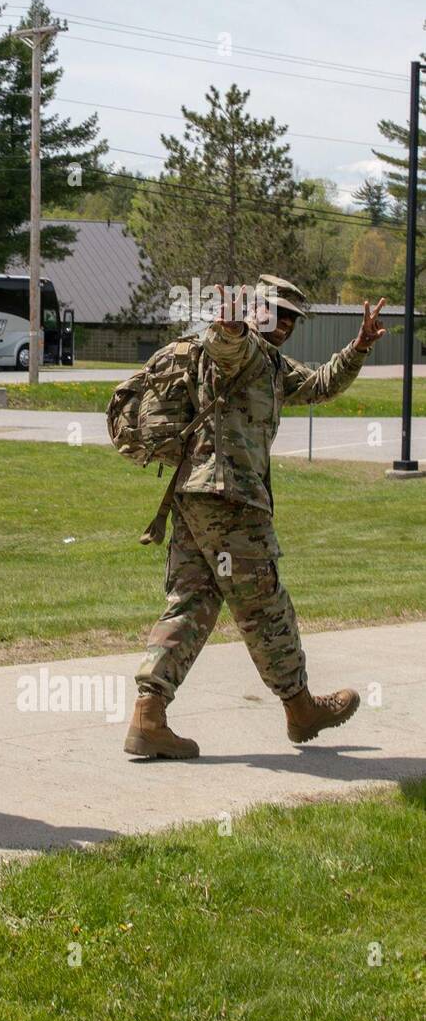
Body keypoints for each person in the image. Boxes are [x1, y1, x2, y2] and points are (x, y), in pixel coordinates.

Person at [127, 275, 387, 759]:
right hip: (229, 502)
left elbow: (316, 386)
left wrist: (358, 347)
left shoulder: (268, 362)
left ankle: (150, 714)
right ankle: (301, 707)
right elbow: (226, 346)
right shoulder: (237, 350)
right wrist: (230, 326)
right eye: (275, 312)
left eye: (292, 317)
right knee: (265, 606)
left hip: (196, 498)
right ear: (254, 309)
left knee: (192, 602)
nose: (285, 323)